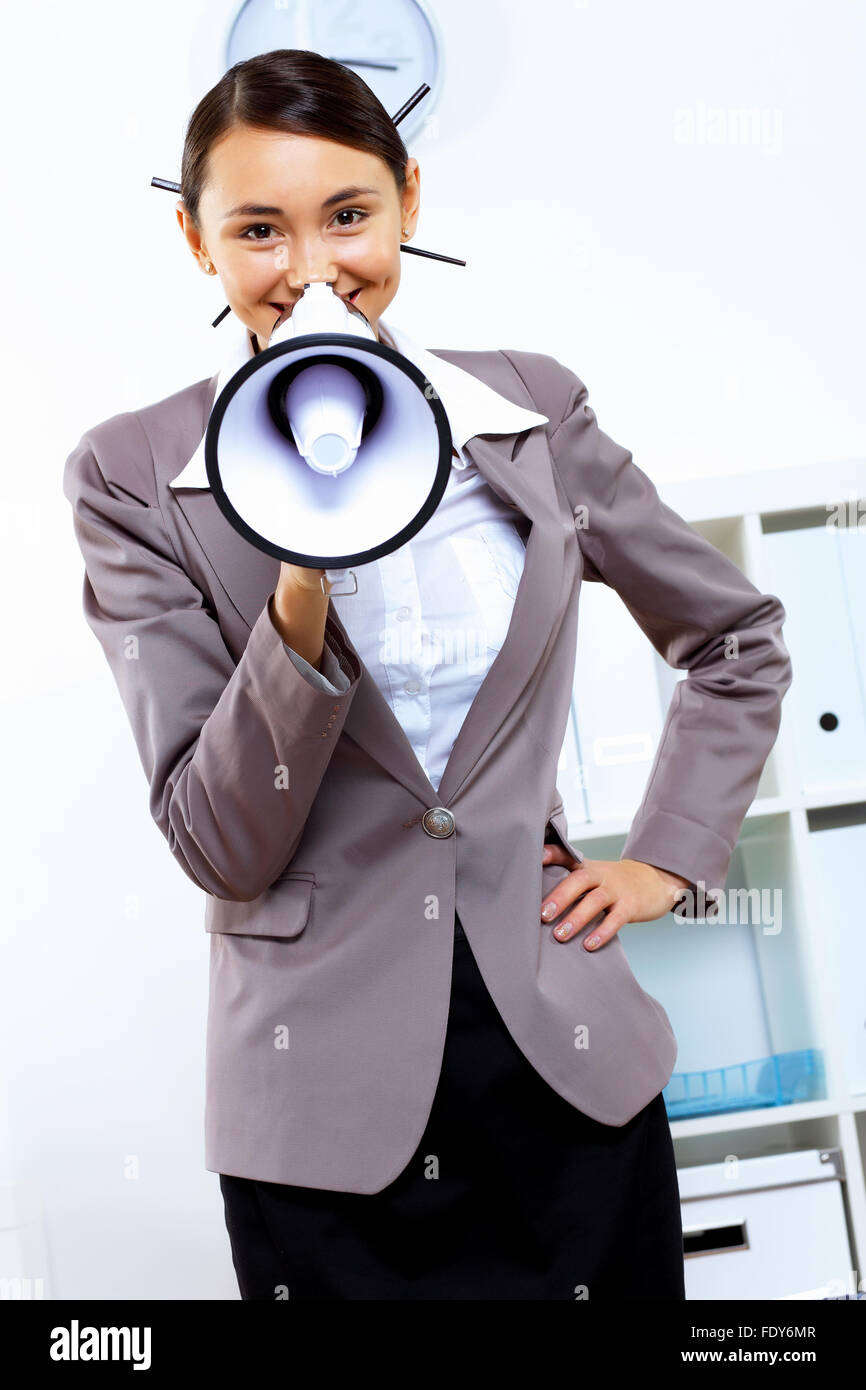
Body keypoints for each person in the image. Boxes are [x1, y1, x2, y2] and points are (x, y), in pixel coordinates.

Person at [62, 49, 793, 1301]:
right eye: (257, 230)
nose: (310, 268)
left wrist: (669, 853)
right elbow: (218, 842)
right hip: (323, 1124)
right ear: (195, 243)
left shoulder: (529, 411)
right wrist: (299, 585)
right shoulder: (133, 475)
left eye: (349, 214)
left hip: (568, 1067)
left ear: (409, 198)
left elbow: (733, 639)